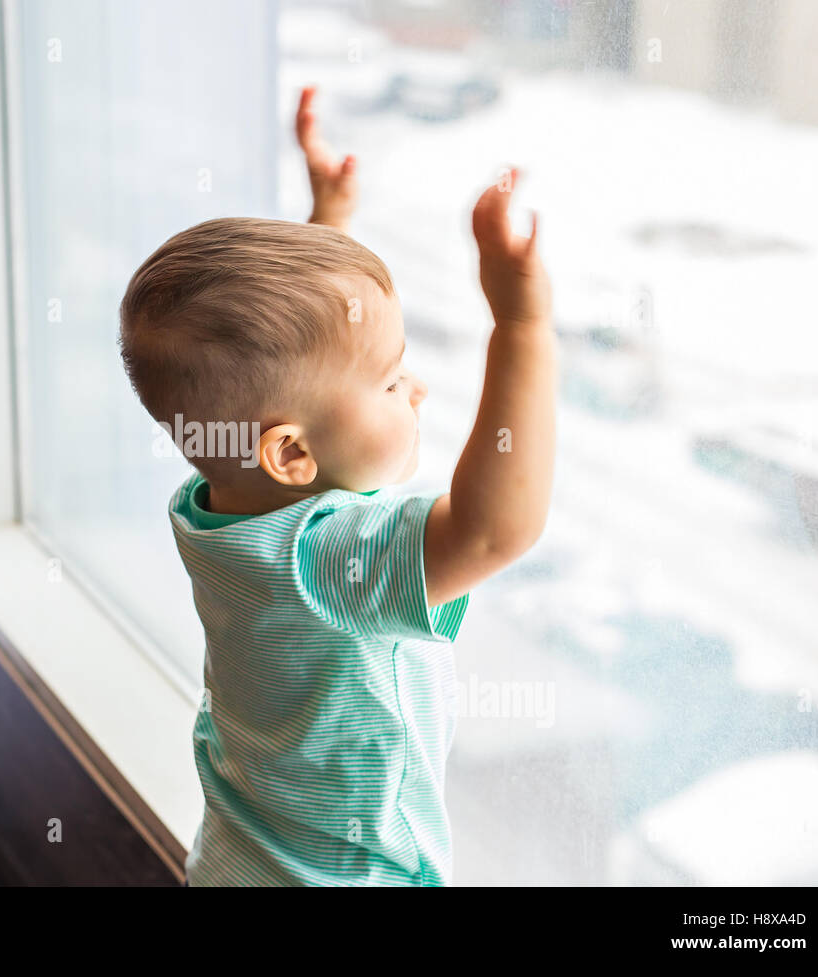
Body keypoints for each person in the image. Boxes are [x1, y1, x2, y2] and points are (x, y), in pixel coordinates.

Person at [119, 86, 557, 885]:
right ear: (288, 453)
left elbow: (277, 379)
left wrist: (329, 223)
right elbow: (495, 529)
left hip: (237, 857)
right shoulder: (332, 560)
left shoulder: (217, 504)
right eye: (392, 383)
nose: (416, 389)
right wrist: (520, 329)